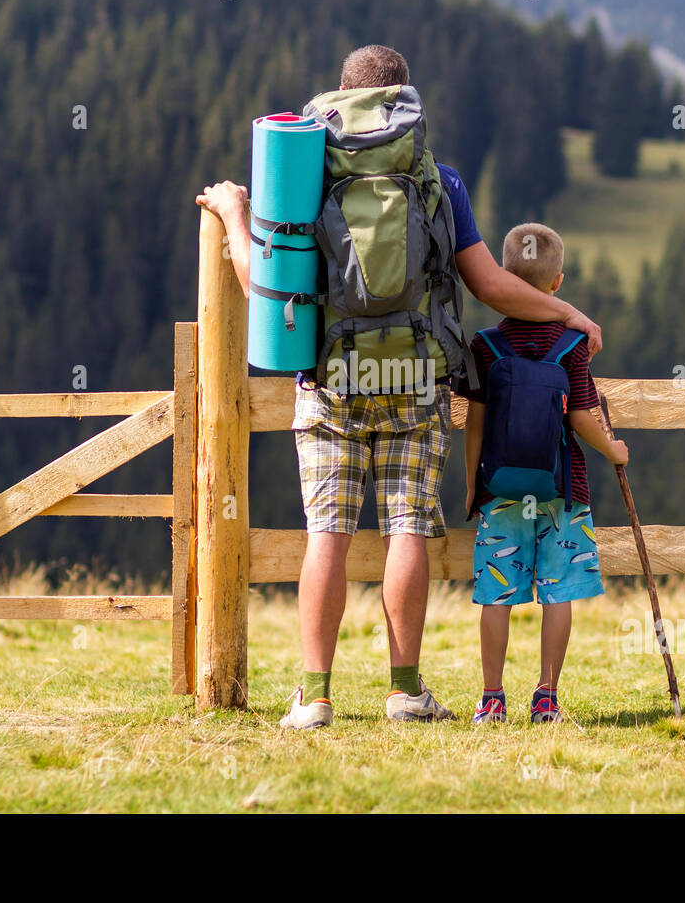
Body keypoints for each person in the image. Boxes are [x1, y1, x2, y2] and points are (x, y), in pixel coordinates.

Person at [196, 45, 603, 729]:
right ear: (405, 103)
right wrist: (568, 311)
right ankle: (404, 692)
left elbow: (262, 287)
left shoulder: (310, 177)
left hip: (331, 378)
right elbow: (491, 284)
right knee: (407, 528)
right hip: (415, 377)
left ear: (342, 97)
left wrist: (235, 214)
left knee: (325, 531)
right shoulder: (437, 181)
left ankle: (315, 696)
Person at [458, 222, 628, 724]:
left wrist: (474, 484)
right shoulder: (572, 345)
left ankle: (492, 698)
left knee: (497, 592)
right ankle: (547, 695)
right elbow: (580, 417)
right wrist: (613, 450)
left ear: (503, 278)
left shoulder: (485, 347)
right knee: (559, 591)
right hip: (562, 490)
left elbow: (475, 424)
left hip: (502, 490)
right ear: (558, 285)